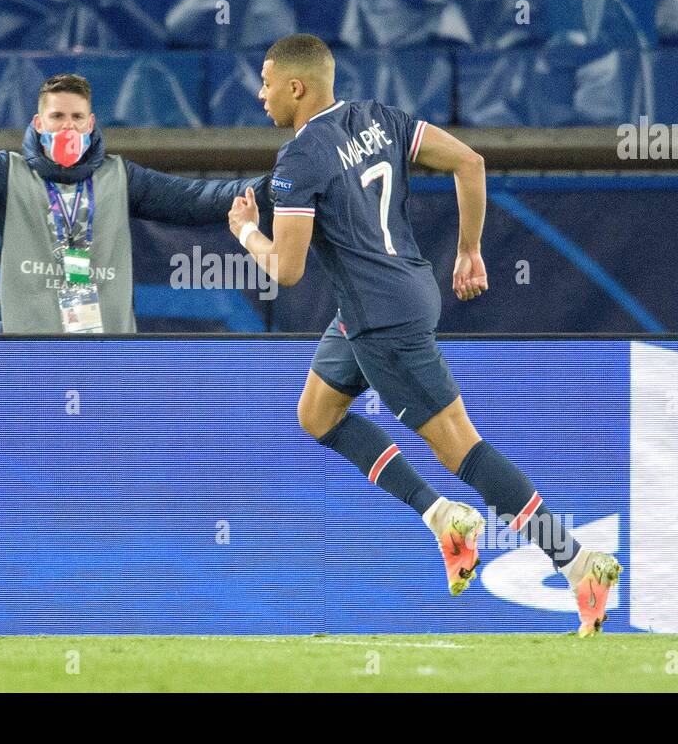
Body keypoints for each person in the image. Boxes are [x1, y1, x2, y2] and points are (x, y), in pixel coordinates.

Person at [227, 33, 622, 637]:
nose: (260, 95)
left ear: (296, 87)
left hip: (381, 318)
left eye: (266, 81)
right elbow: (471, 161)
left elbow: (287, 268)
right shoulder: (380, 119)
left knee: (461, 448)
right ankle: (442, 516)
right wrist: (469, 252)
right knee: (317, 412)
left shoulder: (300, 158)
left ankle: (575, 562)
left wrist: (248, 234)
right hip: (390, 297)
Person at [0, 73, 271, 333]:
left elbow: (193, 198)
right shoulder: (6, 173)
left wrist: (274, 187)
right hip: (24, 354)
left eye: (76, 117)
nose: (67, 127)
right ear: (38, 123)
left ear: (91, 123)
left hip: (109, 354)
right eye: (57, 116)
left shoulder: (121, 177)